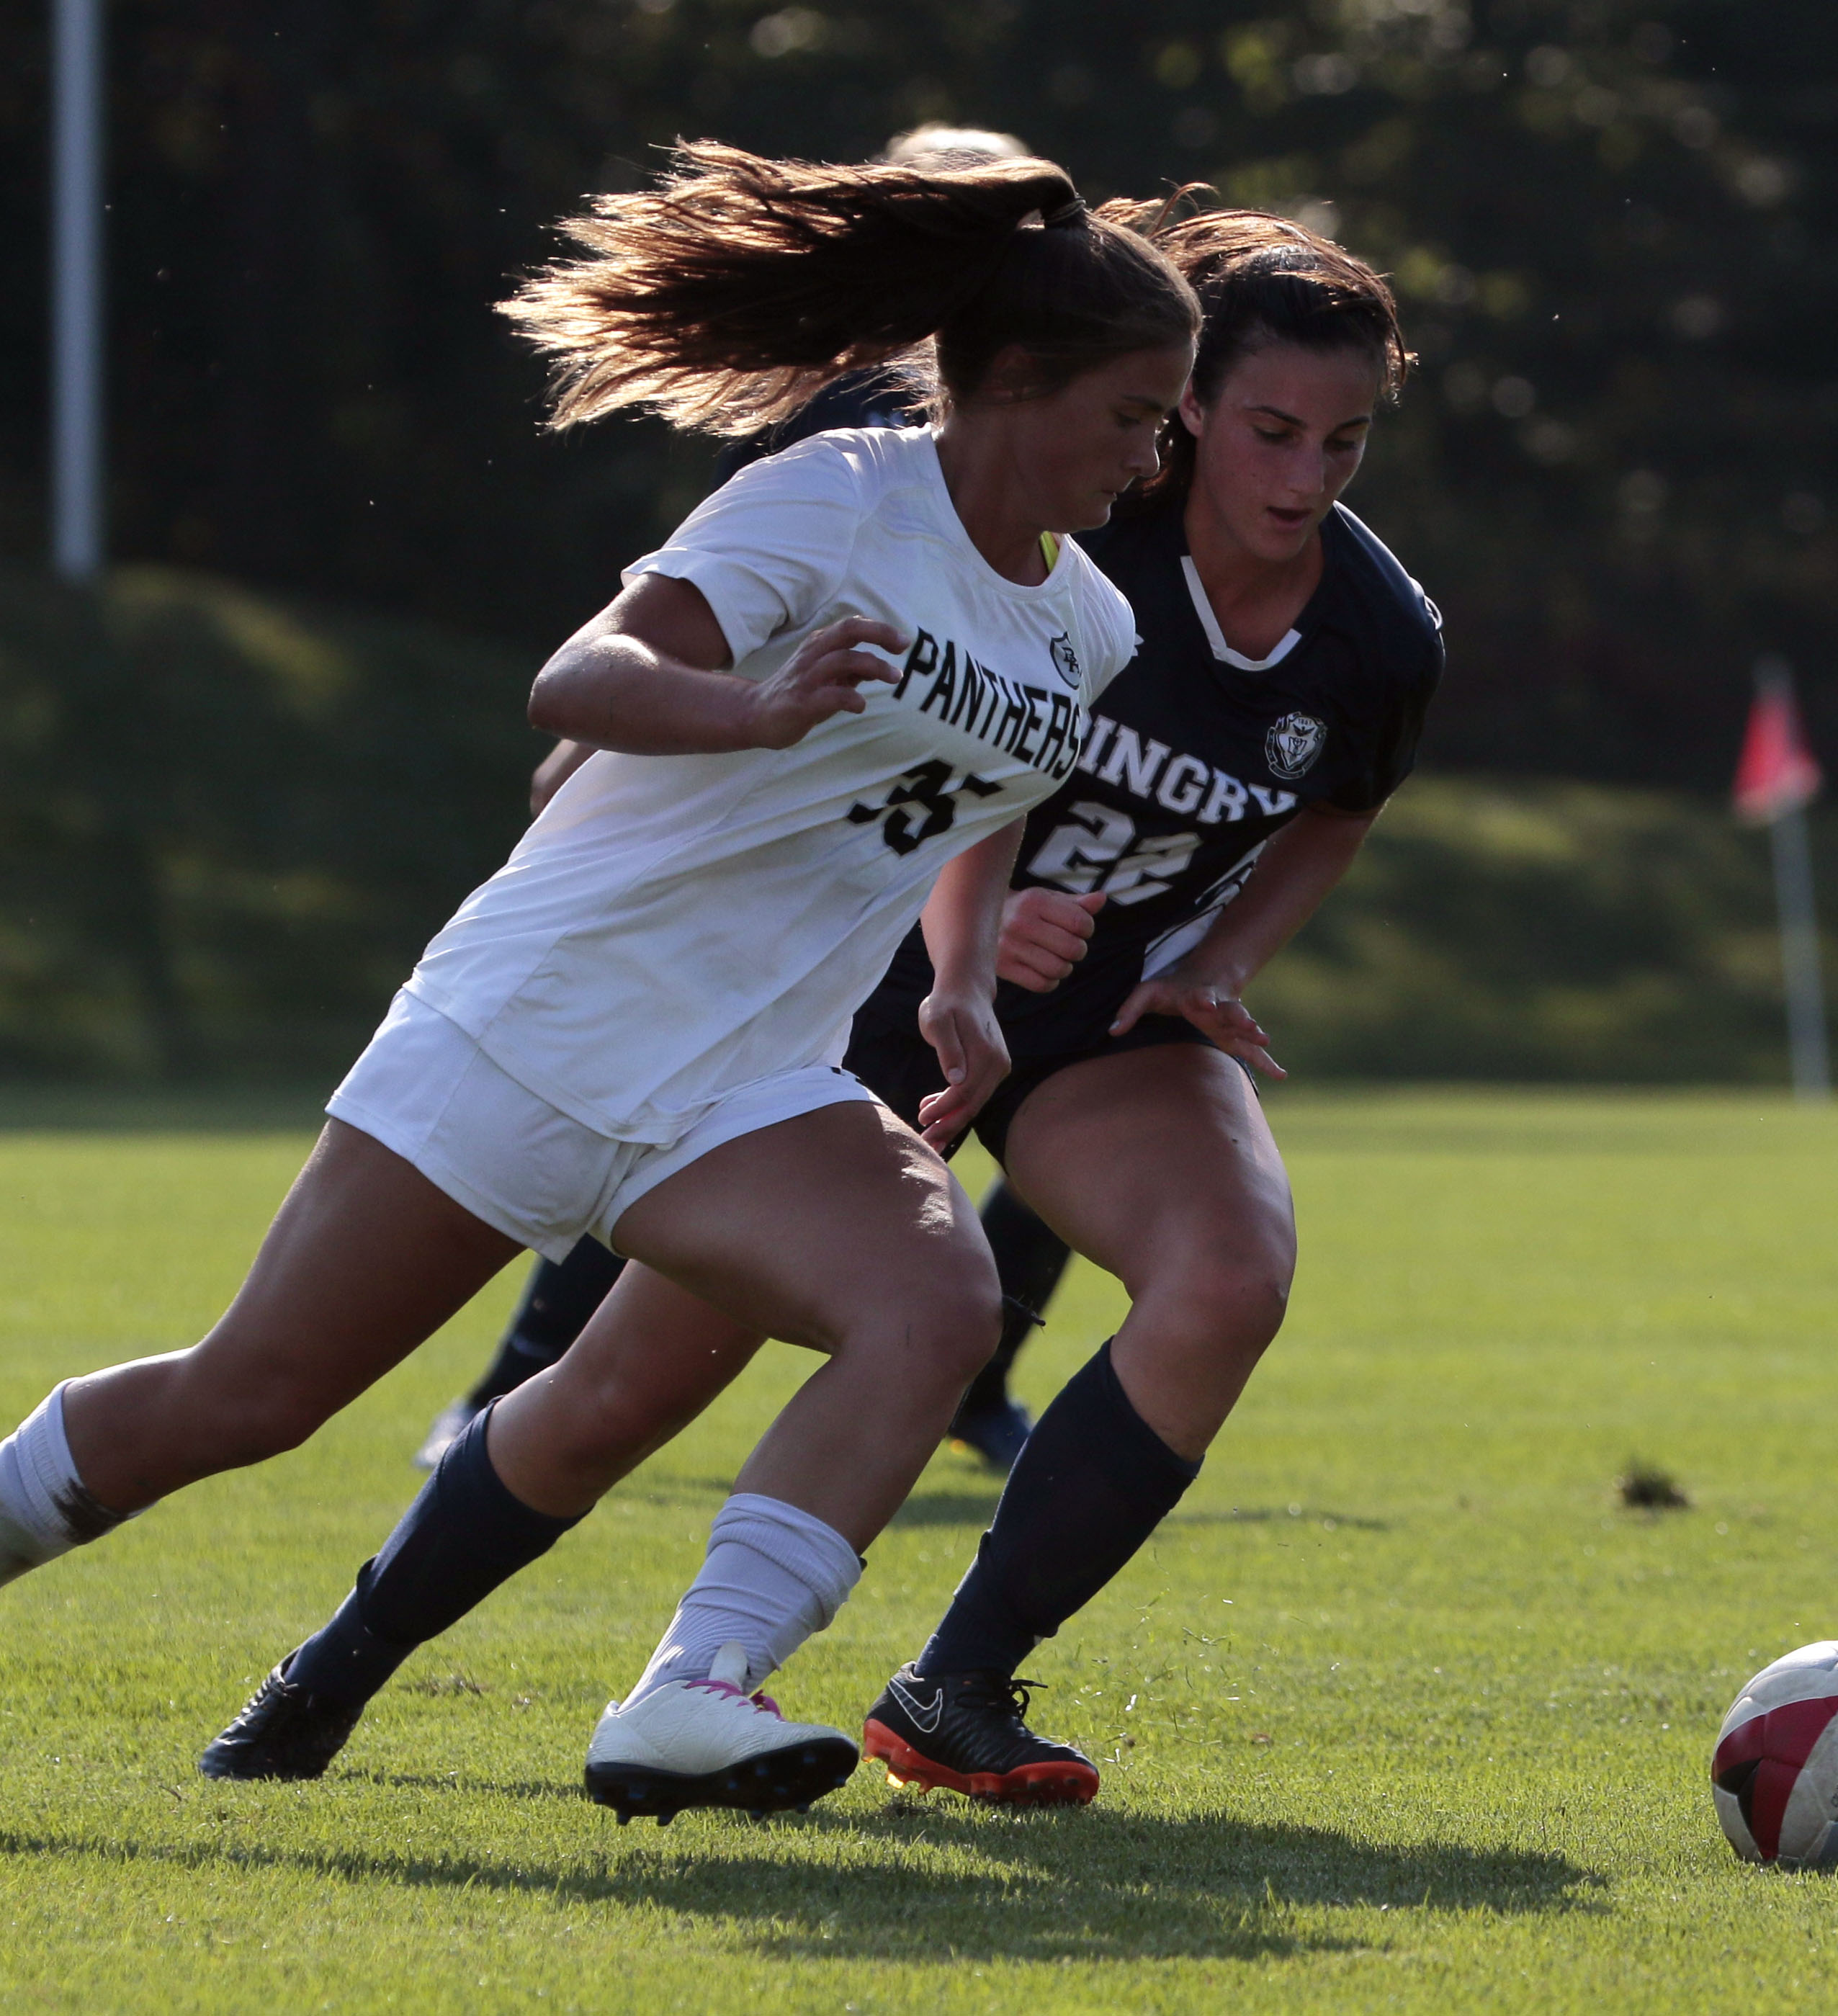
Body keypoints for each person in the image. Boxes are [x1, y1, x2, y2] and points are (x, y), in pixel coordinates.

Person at [0, 141, 1198, 1828]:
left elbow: (976, 812)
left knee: (934, 1301)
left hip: (746, 1080)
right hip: (546, 1014)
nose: (1156, 455)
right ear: (1016, 383)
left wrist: (960, 984)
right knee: (254, 1395)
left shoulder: (1087, 622)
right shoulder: (842, 496)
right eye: (1136, 413)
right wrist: (750, 709)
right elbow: (581, 676)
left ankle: (695, 1687)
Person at [204, 210, 1440, 1815]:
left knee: (1229, 1277)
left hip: (1096, 1023)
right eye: (1269, 429)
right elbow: (804, 637)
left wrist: (1221, 962)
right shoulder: (1062, 512)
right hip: (860, 985)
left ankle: (956, 1686)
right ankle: (336, 1668)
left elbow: (1343, 802)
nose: (1304, 476)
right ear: (1187, 405)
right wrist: (959, 931)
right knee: (631, 1383)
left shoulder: (1379, 631)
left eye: (1345, 442)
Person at [415, 120, 1046, 1479]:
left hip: (855, 858)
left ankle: (969, 1388)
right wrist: (620, 746)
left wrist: (980, 941)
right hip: (757, 834)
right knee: (627, 1119)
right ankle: (515, 1390)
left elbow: (1008, 697)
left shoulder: (1051, 488)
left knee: (1048, 1097)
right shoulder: (856, 438)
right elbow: (701, 625)